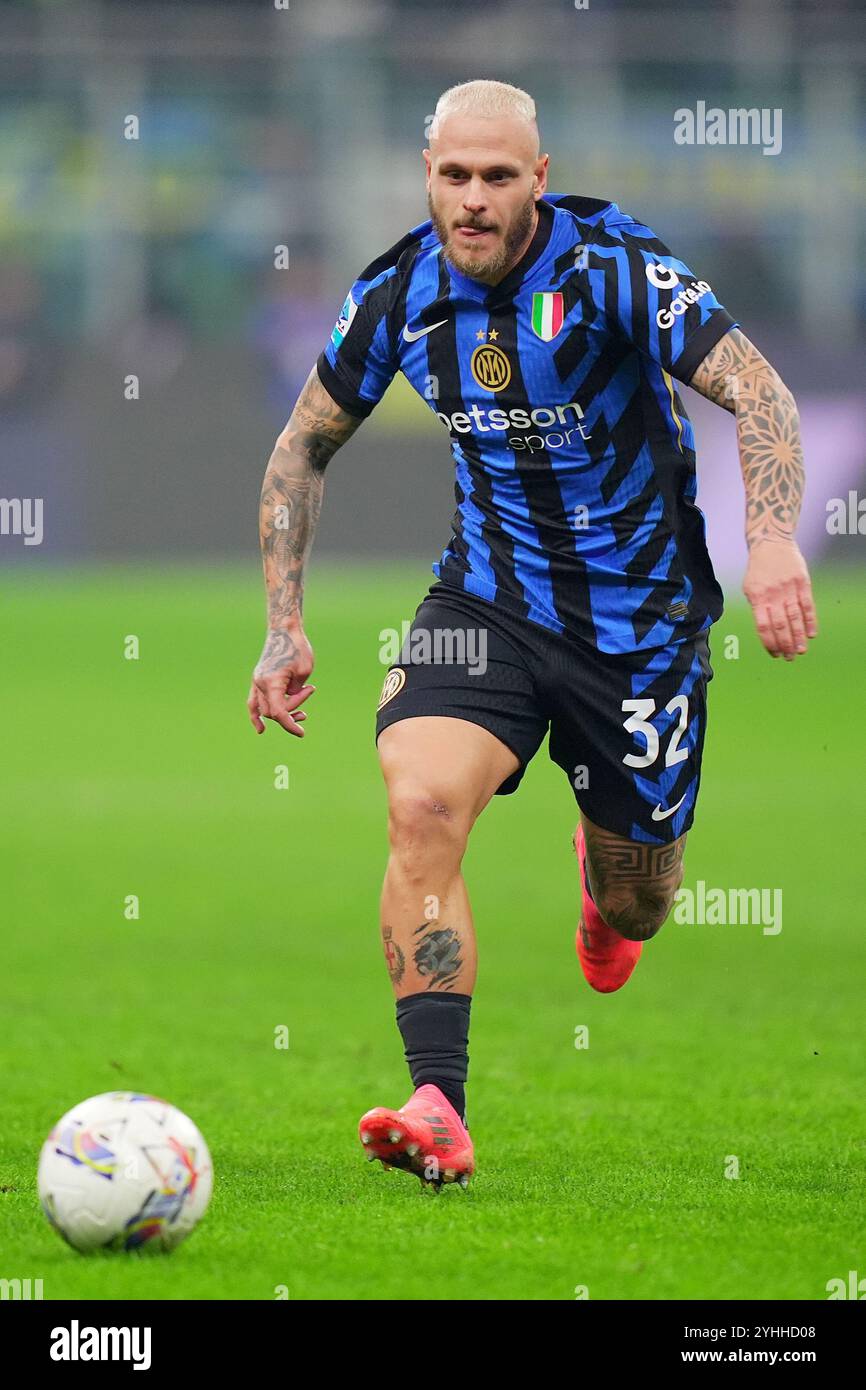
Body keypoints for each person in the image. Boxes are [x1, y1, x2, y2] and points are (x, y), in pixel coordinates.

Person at [247, 79, 817, 1191]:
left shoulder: (614, 268)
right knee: (416, 802)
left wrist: (772, 538)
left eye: (497, 177)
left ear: (537, 181)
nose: (471, 199)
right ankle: (438, 1104)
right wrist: (282, 626)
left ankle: (606, 894)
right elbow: (299, 450)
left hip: (637, 632)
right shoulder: (398, 294)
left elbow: (758, 392)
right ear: (427, 177)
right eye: (452, 176)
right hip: (485, 610)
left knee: (637, 894)